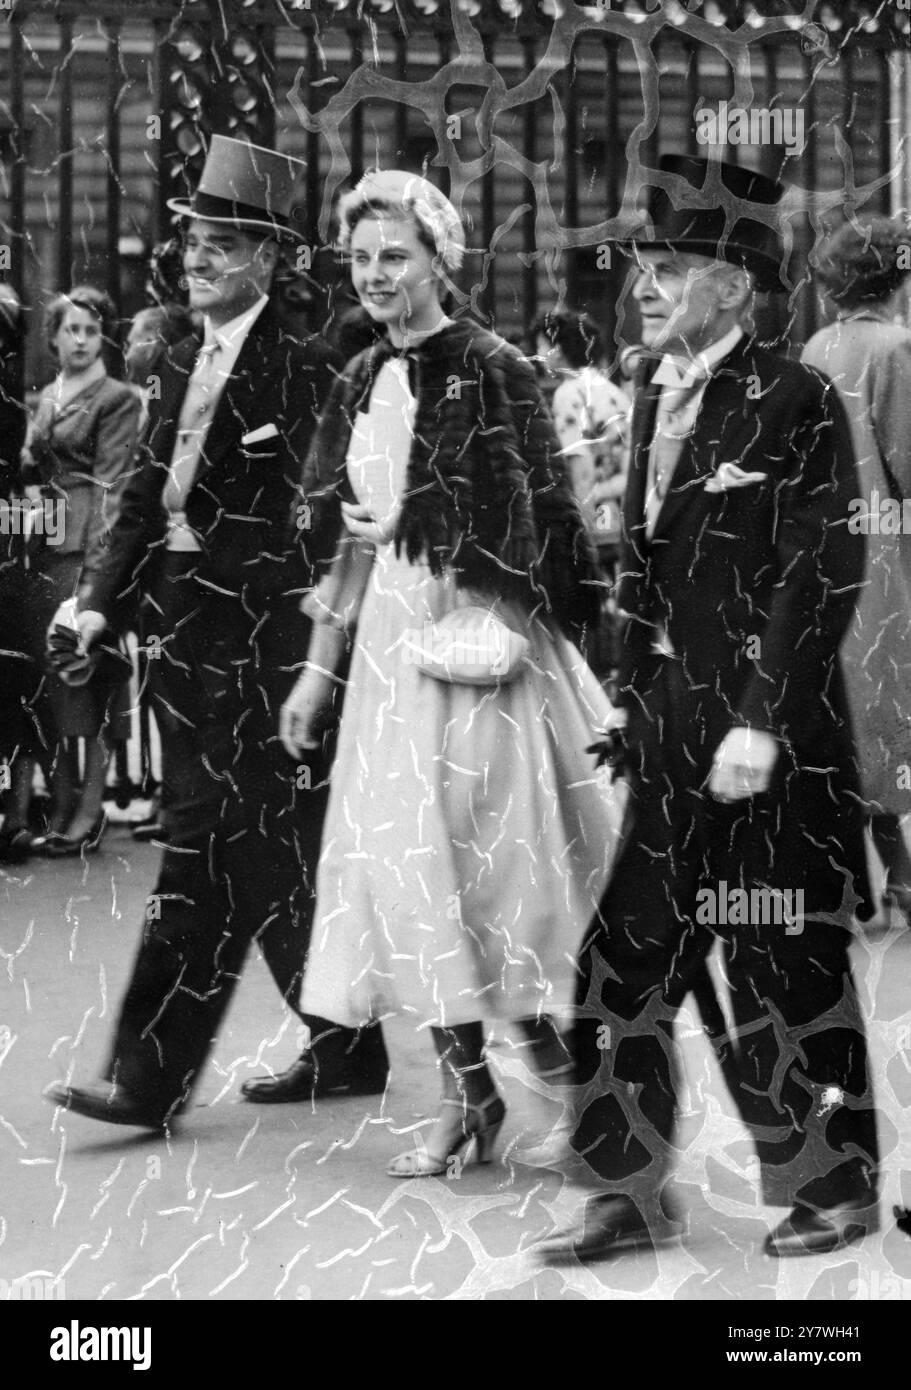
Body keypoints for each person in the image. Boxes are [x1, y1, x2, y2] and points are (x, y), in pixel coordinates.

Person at [539, 155, 879, 1265]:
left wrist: (760, 718)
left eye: (671, 266)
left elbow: (815, 568)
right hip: (672, 739)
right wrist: (629, 704)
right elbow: (645, 572)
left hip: (766, 747)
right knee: (623, 959)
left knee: (781, 967)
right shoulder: (649, 387)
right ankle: (622, 1191)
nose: (643, 283)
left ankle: (833, 1184)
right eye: (643, 264)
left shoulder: (794, 395)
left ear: (733, 287)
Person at [279, 169, 623, 1178]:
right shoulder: (359, 376)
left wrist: (425, 531)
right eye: (362, 258)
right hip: (391, 658)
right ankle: (466, 1098)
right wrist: (313, 669)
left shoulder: (494, 365)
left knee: (501, 882)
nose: (375, 275)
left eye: (395, 256)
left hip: (485, 649)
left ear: (439, 259)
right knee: (407, 878)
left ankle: (579, 1095)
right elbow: (343, 537)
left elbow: (541, 519)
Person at [46, 136, 389, 1130]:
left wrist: (304, 659)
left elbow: (319, 522)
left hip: (271, 650)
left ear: (270, 261)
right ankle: (348, 1042)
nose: (197, 255)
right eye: (195, 235)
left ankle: (150, 1080)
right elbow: (146, 494)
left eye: (225, 241)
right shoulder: (185, 353)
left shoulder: (304, 367)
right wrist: (100, 599)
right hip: (190, 640)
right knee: (271, 858)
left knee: (209, 853)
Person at [802, 215, 911, 923]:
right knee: (888, 710)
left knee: (850, 709)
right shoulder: (895, 348)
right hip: (887, 559)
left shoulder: (818, 344)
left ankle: (871, 874)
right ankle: (896, 872)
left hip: (828, 554)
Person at [12, 287, 140, 856]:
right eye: (71, 330)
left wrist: (100, 570)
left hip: (88, 538)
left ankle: (88, 805)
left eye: (91, 330)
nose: (82, 341)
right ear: (54, 337)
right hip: (47, 537)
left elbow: (115, 484)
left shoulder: (117, 398)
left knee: (88, 674)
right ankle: (61, 798)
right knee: (51, 678)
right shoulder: (47, 397)